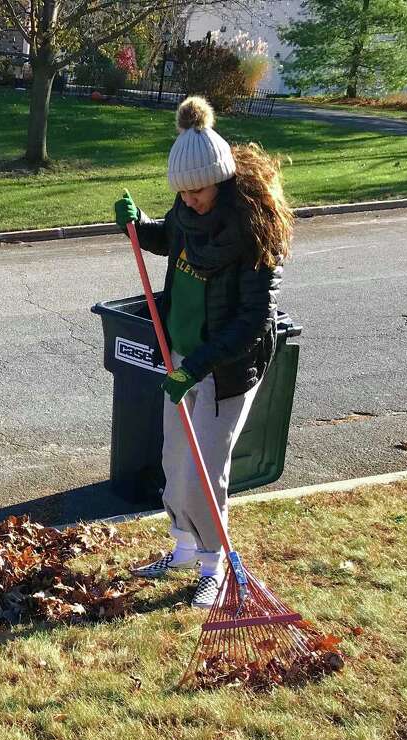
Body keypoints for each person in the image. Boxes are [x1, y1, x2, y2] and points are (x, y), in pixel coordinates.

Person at [114, 96, 293, 608]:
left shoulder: (256, 235)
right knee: (175, 461)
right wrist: (136, 223)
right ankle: (185, 547)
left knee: (205, 467)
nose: (190, 201)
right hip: (181, 357)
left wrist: (195, 367)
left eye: (198, 192)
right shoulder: (186, 212)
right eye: (183, 193)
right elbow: (168, 238)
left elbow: (253, 321)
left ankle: (215, 565)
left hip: (225, 369)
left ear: (221, 178)